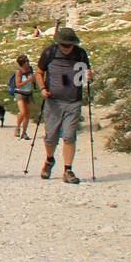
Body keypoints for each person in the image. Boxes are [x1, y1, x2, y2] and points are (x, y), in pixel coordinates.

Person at [34, 27, 92, 185]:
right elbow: (39, 72)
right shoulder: (49, 53)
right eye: (64, 45)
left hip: (73, 102)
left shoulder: (80, 54)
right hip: (53, 102)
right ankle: (49, 159)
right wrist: (42, 89)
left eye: (69, 45)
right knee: (50, 137)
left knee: (69, 136)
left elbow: (84, 75)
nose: (67, 48)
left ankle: (68, 169)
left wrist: (88, 77)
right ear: (58, 43)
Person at [10, 54, 35, 139]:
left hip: (28, 93)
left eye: (28, 61)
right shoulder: (19, 71)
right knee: (23, 112)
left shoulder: (30, 69)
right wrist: (28, 80)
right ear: (22, 63)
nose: (28, 62)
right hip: (20, 93)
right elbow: (18, 84)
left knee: (27, 114)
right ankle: (17, 127)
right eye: (26, 61)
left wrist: (32, 83)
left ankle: (24, 132)